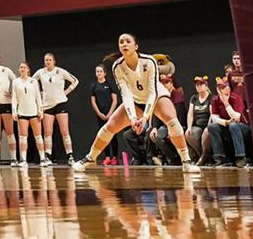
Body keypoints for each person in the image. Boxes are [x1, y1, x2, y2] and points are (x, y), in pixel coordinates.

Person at [73, 34, 194, 169]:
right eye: (121, 42)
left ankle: (186, 161)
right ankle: (90, 158)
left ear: (136, 46)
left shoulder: (149, 61)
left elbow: (152, 92)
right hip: (136, 100)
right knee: (110, 126)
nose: (124, 44)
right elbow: (126, 94)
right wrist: (133, 118)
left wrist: (145, 118)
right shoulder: (117, 66)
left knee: (171, 119)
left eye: (128, 41)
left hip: (156, 97)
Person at [36, 52, 75, 163]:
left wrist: (65, 92)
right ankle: (47, 156)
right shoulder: (40, 72)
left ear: (54, 61)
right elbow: (31, 83)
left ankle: (70, 155)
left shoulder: (60, 72)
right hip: (47, 106)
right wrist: (39, 94)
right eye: (46, 60)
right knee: (48, 132)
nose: (48, 62)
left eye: (50, 60)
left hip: (60, 103)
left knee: (65, 131)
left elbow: (75, 81)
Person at [11, 62, 43, 167]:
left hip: (33, 112)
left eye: (24, 67)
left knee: (38, 136)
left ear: (28, 69)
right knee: (23, 137)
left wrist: (40, 110)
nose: (22, 69)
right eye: (21, 67)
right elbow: (14, 98)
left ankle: (43, 158)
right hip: (22, 112)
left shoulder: (33, 81)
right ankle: (23, 159)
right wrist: (14, 111)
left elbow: (38, 96)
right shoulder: (16, 82)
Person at [88, 63, 120, 165]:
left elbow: (114, 100)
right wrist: (99, 113)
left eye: (101, 71)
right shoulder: (94, 86)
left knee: (113, 136)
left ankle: (115, 157)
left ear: (105, 73)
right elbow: (93, 101)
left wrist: (110, 113)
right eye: (97, 71)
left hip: (111, 114)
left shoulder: (110, 85)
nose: (99, 73)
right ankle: (107, 157)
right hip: (101, 115)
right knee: (103, 136)